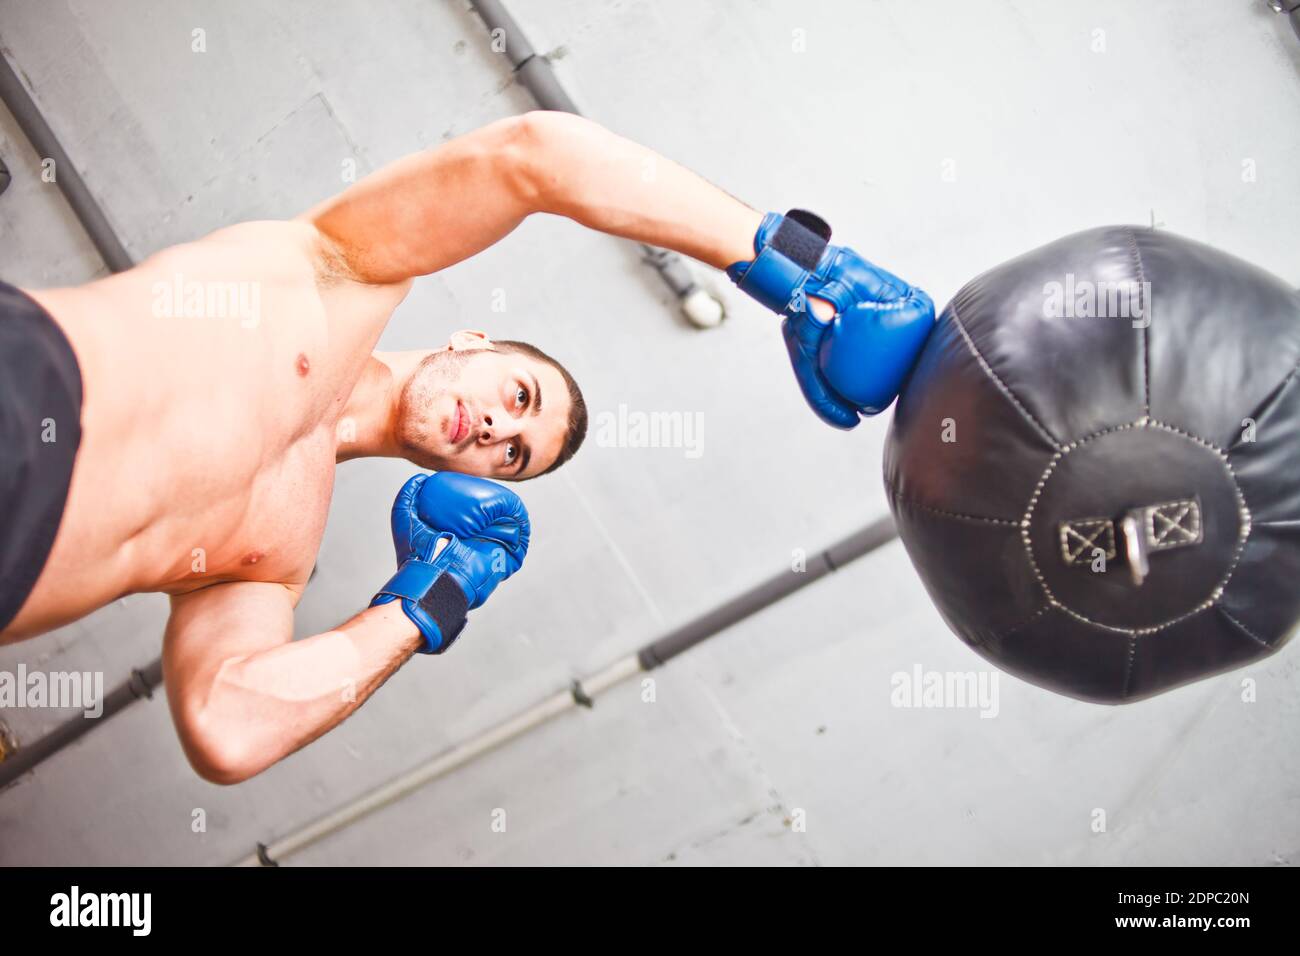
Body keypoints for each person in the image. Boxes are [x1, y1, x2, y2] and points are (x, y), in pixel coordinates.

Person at [0, 111, 932, 782]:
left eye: (513, 455)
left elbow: (227, 730)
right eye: (518, 397)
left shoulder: (271, 560)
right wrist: (804, 275)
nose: (498, 428)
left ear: (471, 478)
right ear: (472, 344)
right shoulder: (340, 271)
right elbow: (535, 158)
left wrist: (427, 601)